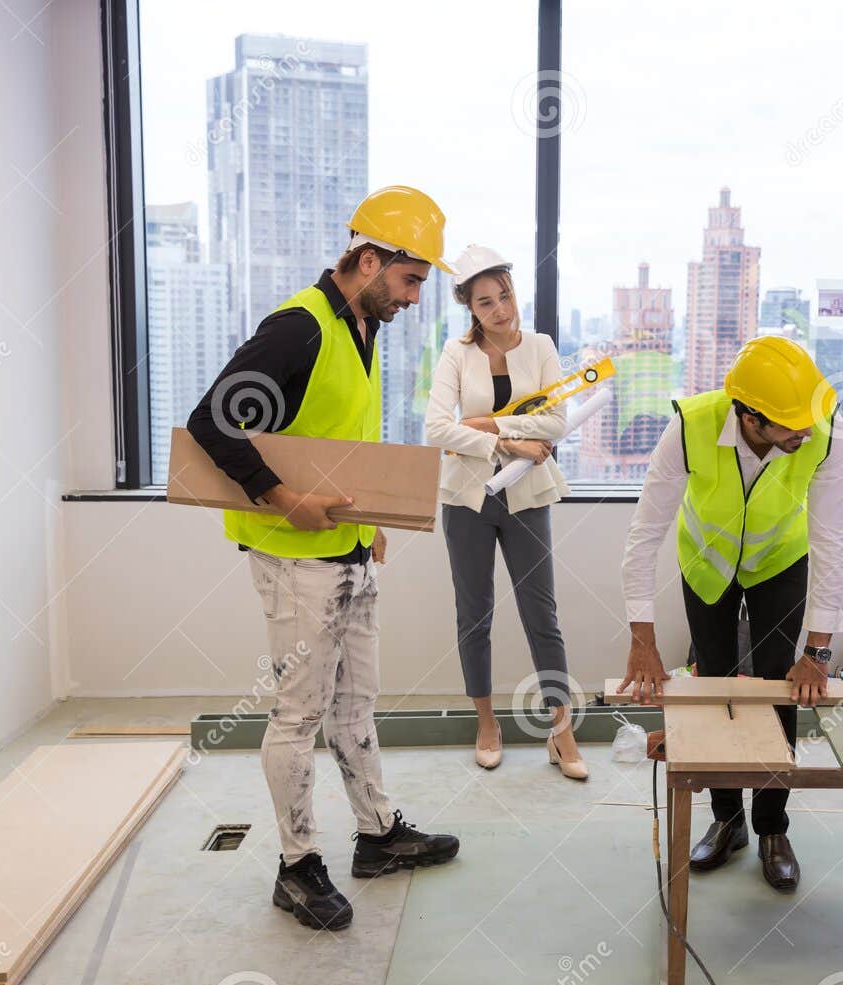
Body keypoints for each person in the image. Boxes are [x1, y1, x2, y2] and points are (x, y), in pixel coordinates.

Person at [186, 185, 462, 932]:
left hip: (347, 549)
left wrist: (367, 523)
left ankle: (377, 834)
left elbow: (340, 441)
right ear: (368, 260)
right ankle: (297, 866)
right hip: (294, 557)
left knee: (356, 701)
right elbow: (211, 420)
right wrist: (281, 498)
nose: (413, 298)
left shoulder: (361, 327)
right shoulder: (300, 328)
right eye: (409, 279)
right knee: (299, 712)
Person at [619, 336, 843, 892]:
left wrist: (817, 652)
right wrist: (642, 640)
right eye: (791, 423)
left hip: (779, 561)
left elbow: (831, 542)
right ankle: (728, 820)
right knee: (712, 685)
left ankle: (772, 827)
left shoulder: (824, 431)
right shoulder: (690, 427)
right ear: (750, 417)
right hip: (707, 562)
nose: (805, 431)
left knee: (779, 687)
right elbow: (644, 535)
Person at [423, 245, 587, 780]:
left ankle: (561, 731)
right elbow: (436, 429)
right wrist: (510, 442)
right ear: (469, 307)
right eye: (486, 302)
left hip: (526, 496)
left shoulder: (540, 347)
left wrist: (487, 424)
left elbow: (557, 422)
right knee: (474, 615)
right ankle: (487, 724)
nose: (500, 309)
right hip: (466, 500)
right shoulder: (456, 353)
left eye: (505, 296)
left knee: (542, 614)